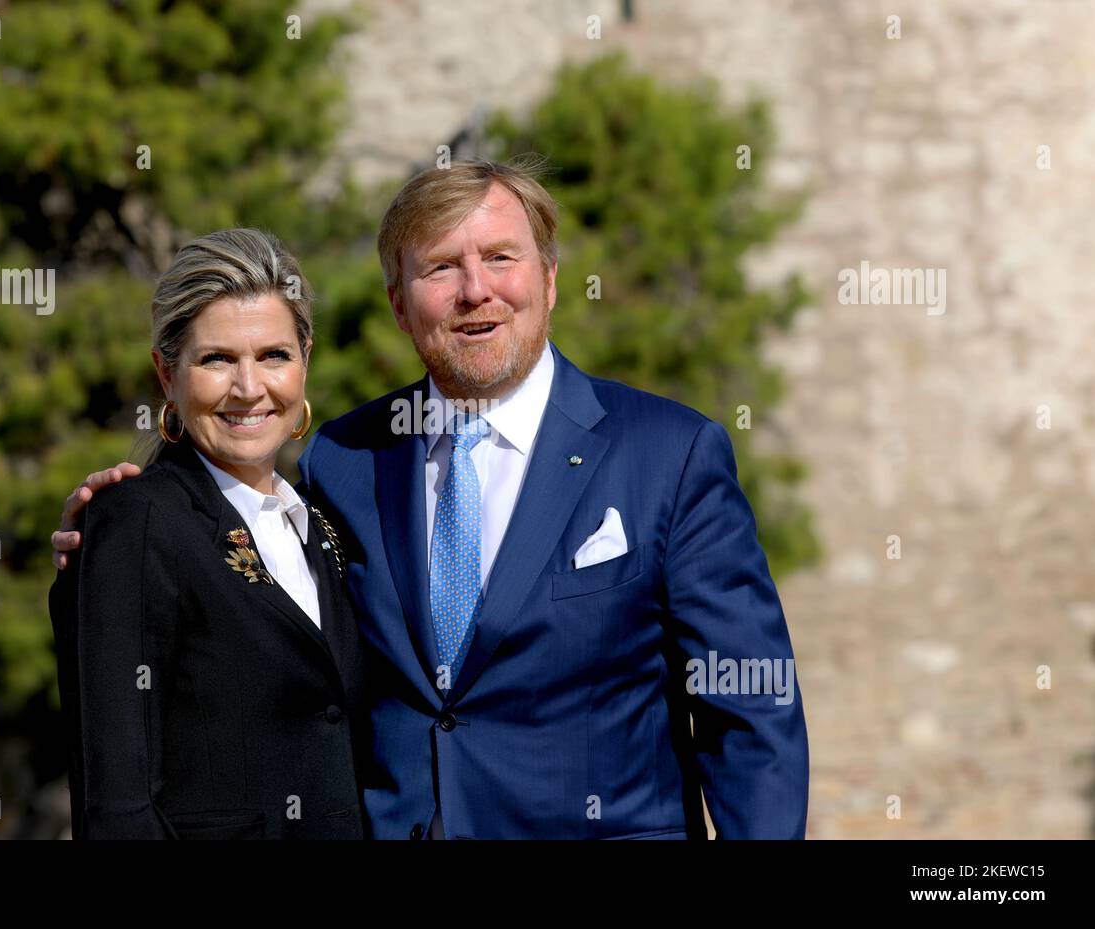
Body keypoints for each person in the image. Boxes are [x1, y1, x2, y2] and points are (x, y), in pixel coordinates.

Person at [55, 158, 808, 839]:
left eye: (500, 258)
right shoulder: (343, 463)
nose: (475, 289)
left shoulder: (668, 454)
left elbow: (751, 714)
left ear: (548, 279)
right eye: (441, 267)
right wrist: (104, 552)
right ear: (397, 302)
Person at [49, 228, 366, 839]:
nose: (249, 389)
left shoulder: (320, 526)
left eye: (274, 355)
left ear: (305, 362)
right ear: (166, 375)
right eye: (217, 359)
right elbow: (119, 807)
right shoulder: (135, 519)